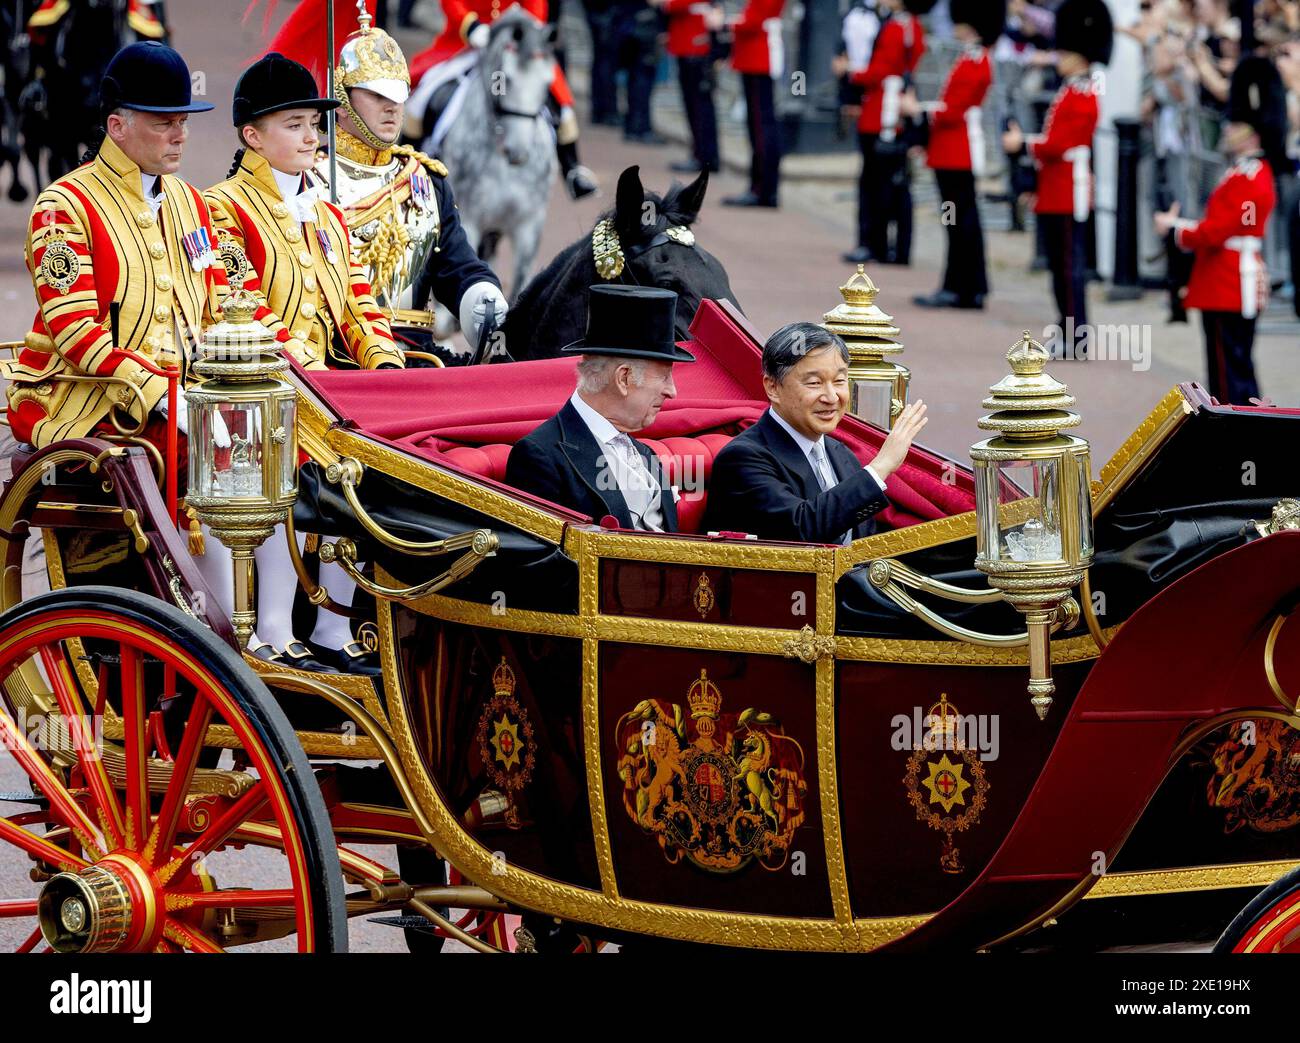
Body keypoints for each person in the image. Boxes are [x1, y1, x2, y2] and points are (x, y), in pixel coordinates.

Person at [268, 1, 508, 356]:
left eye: (398, 93)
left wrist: (481, 296)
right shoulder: (302, 178)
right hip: (334, 356)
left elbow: (458, 267)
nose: (392, 106)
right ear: (341, 99)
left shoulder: (425, 179)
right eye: (377, 95)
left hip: (415, 357)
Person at [205, 53, 403, 372]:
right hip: (273, 381)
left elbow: (360, 308)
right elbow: (244, 307)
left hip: (335, 380)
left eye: (313, 123)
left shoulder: (330, 216)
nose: (312, 137)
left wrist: (384, 364)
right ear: (253, 136)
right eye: (295, 125)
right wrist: (315, 376)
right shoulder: (221, 207)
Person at [702, 323, 928, 544]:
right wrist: (881, 466)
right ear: (773, 387)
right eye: (814, 383)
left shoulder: (840, 452)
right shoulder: (742, 458)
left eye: (839, 381)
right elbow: (801, 528)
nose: (831, 397)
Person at [506, 286, 694, 532]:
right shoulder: (540, 457)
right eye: (664, 376)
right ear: (623, 378)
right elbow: (542, 554)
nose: (672, 391)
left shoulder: (646, 454)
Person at [1155, 55, 1281, 404]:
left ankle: (1239, 429)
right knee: (1230, 366)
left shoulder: (1251, 177)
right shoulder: (1244, 172)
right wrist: (1179, 226)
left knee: (1229, 373)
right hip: (1225, 279)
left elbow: (1218, 230)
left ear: (1251, 131)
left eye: (1234, 124)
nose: (1227, 129)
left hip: (1229, 281)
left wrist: (1175, 231)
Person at [1003, 0, 1112, 359]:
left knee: (1069, 267)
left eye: (1064, 52)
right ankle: (1066, 330)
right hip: (1055, 185)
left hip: (1068, 189)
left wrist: (1023, 143)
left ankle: (1076, 337)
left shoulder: (1083, 93)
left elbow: (1058, 145)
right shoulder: (1073, 88)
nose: (1058, 57)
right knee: (1059, 266)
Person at [407, 0, 599, 197]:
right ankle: (408, 167)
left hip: (516, 48)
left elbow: (535, 8)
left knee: (564, 111)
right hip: (469, 44)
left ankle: (572, 171)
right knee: (419, 100)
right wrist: (470, 26)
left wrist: (523, 30)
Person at [912, 0, 1003, 309]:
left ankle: (959, 286)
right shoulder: (971, 56)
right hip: (951, 149)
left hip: (956, 151)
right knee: (960, 220)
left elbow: (953, 110)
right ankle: (969, 286)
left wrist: (919, 110)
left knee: (958, 221)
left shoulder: (976, 60)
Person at [834, 0, 931, 263]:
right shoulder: (911, 25)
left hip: (881, 112)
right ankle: (897, 246)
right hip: (891, 110)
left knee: (874, 183)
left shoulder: (898, 27)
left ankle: (873, 243)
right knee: (892, 183)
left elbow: (880, 70)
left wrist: (850, 72)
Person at [721, 0, 785, 208]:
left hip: (758, 56)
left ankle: (763, 190)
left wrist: (727, 23)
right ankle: (762, 187)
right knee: (759, 125)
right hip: (754, 55)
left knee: (761, 126)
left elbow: (754, 20)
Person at [653, 0, 723, 173]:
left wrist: (665, 4)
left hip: (695, 44)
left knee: (699, 105)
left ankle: (704, 156)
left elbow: (673, 5)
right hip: (687, 43)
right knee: (694, 105)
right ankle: (701, 154)